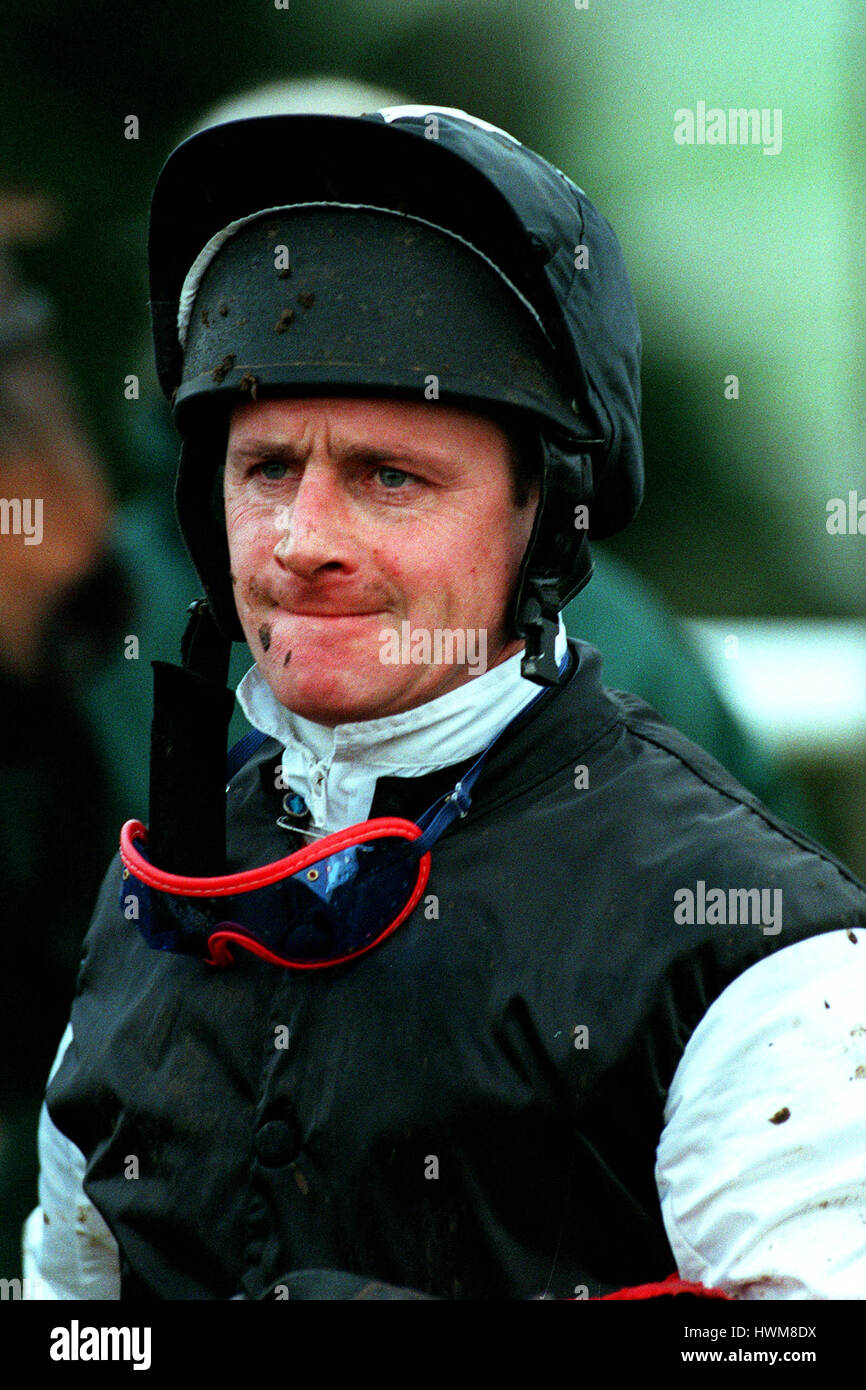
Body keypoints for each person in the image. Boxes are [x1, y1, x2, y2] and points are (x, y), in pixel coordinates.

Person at [24, 106, 866, 1301]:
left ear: (542, 514)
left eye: (388, 477)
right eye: (267, 469)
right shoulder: (149, 891)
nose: (303, 541)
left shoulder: (756, 952)